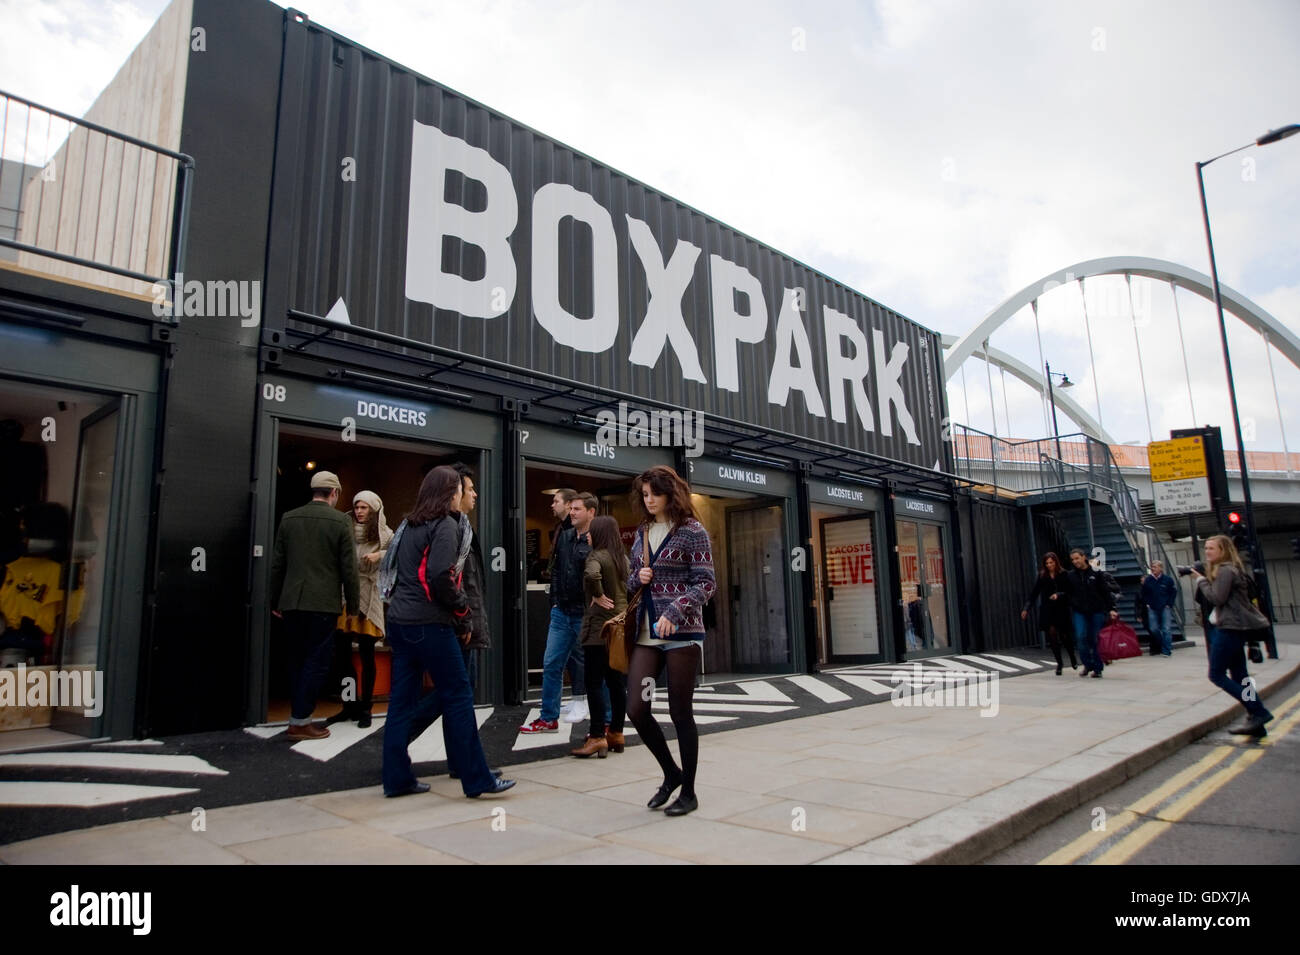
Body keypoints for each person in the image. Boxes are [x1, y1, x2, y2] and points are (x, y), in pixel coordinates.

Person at [381, 466, 514, 797]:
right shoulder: (444, 526)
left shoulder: (409, 525)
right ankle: (477, 778)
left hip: (400, 622)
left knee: (400, 702)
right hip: (431, 624)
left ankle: (396, 779)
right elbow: (440, 575)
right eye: (457, 488)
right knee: (458, 695)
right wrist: (463, 612)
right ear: (446, 493)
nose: (460, 493)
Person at [624, 465, 716, 817]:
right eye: (644, 494)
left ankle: (689, 792)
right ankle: (671, 773)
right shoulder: (642, 532)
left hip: (682, 634)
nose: (648, 501)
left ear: (670, 494)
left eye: (654, 494)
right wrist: (638, 576)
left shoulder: (692, 531)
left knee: (680, 712)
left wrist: (675, 611)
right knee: (637, 707)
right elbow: (632, 582)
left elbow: (706, 583)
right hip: (647, 635)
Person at [269, 471, 360, 741]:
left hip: (292, 602)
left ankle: (298, 716)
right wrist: (353, 606)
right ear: (334, 493)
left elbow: (277, 564)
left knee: (296, 659)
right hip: (323, 603)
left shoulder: (289, 518)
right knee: (317, 661)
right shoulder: (340, 522)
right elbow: (349, 569)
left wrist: (275, 600)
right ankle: (300, 721)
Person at [521, 491, 596, 733]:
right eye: (571, 508)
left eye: (577, 509)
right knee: (551, 663)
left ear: (591, 512)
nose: (572, 513)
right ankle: (548, 717)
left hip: (585, 614)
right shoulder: (563, 537)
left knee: (593, 665)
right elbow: (556, 570)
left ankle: (603, 721)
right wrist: (554, 600)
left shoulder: (598, 539)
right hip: (561, 612)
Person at [1191, 534, 1275, 737]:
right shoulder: (1228, 570)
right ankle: (1257, 721)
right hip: (1235, 627)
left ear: (1223, 550)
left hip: (1229, 628)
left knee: (1216, 675)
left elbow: (1216, 598)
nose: (1207, 552)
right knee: (1240, 676)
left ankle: (1258, 711)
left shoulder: (1226, 571)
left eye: (1212, 548)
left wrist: (1201, 580)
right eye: (1206, 548)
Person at [325, 491, 392, 728]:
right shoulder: (346, 531)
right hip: (346, 598)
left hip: (370, 598)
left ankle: (366, 708)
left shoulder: (386, 535)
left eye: (364, 508)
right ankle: (348, 704)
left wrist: (380, 555)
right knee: (342, 657)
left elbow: (399, 557)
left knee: (367, 656)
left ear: (374, 510)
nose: (359, 512)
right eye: (357, 507)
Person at [570, 515, 629, 758]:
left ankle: (596, 737)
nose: (588, 535)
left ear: (601, 533)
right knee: (616, 682)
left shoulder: (596, 556)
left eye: (592, 532)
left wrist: (597, 593)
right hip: (619, 628)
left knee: (593, 682)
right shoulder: (622, 558)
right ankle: (616, 732)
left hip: (599, 629)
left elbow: (592, 575)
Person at [1063, 548, 1118, 679]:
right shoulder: (1070, 576)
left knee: (1095, 639)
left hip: (1096, 610)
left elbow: (1105, 592)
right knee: (1081, 637)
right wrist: (1073, 602)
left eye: (1077, 558)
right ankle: (1087, 664)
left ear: (1084, 557)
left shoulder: (1096, 573)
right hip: (1079, 611)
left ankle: (1098, 668)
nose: (1075, 561)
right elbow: (1067, 593)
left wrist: (1111, 608)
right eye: (1072, 559)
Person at [1020, 551, 1076, 675]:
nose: (1050, 565)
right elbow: (1034, 593)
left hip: (1061, 608)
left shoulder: (1064, 574)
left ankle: (1072, 657)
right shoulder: (1042, 576)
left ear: (1056, 562)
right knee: (1052, 635)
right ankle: (1059, 663)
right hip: (1048, 609)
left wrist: (1059, 595)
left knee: (1065, 635)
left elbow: (1070, 592)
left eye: (1051, 562)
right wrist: (1026, 608)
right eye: (1047, 563)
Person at [1140, 560, 1178, 658]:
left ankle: (1166, 650)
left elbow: (1173, 592)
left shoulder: (1167, 580)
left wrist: (1169, 604)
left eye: (1155, 567)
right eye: (1152, 567)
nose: (1153, 569)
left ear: (1161, 568)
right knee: (1153, 628)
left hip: (1164, 607)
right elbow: (1143, 593)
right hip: (1152, 607)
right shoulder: (1148, 580)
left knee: (1166, 629)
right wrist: (1147, 603)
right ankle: (1162, 642)